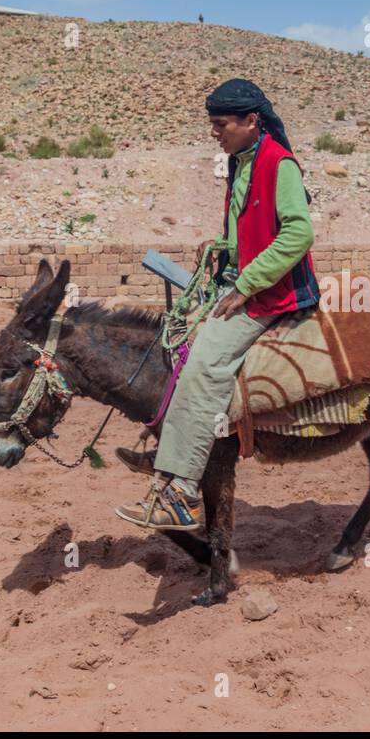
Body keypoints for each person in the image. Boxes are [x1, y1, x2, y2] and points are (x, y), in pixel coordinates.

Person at [114, 78, 318, 531]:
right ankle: (168, 452)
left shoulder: (279, 164)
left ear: (251, 121)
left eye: (221, 124)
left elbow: (298, 233)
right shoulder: (240, 162)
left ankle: (182, 492)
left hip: (271, 294)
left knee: (207, 363)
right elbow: (252, 226)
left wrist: (245, 285)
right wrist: (223, 247)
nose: (214, 132)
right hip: (241, 281)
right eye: (212, 124)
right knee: (175, 338)